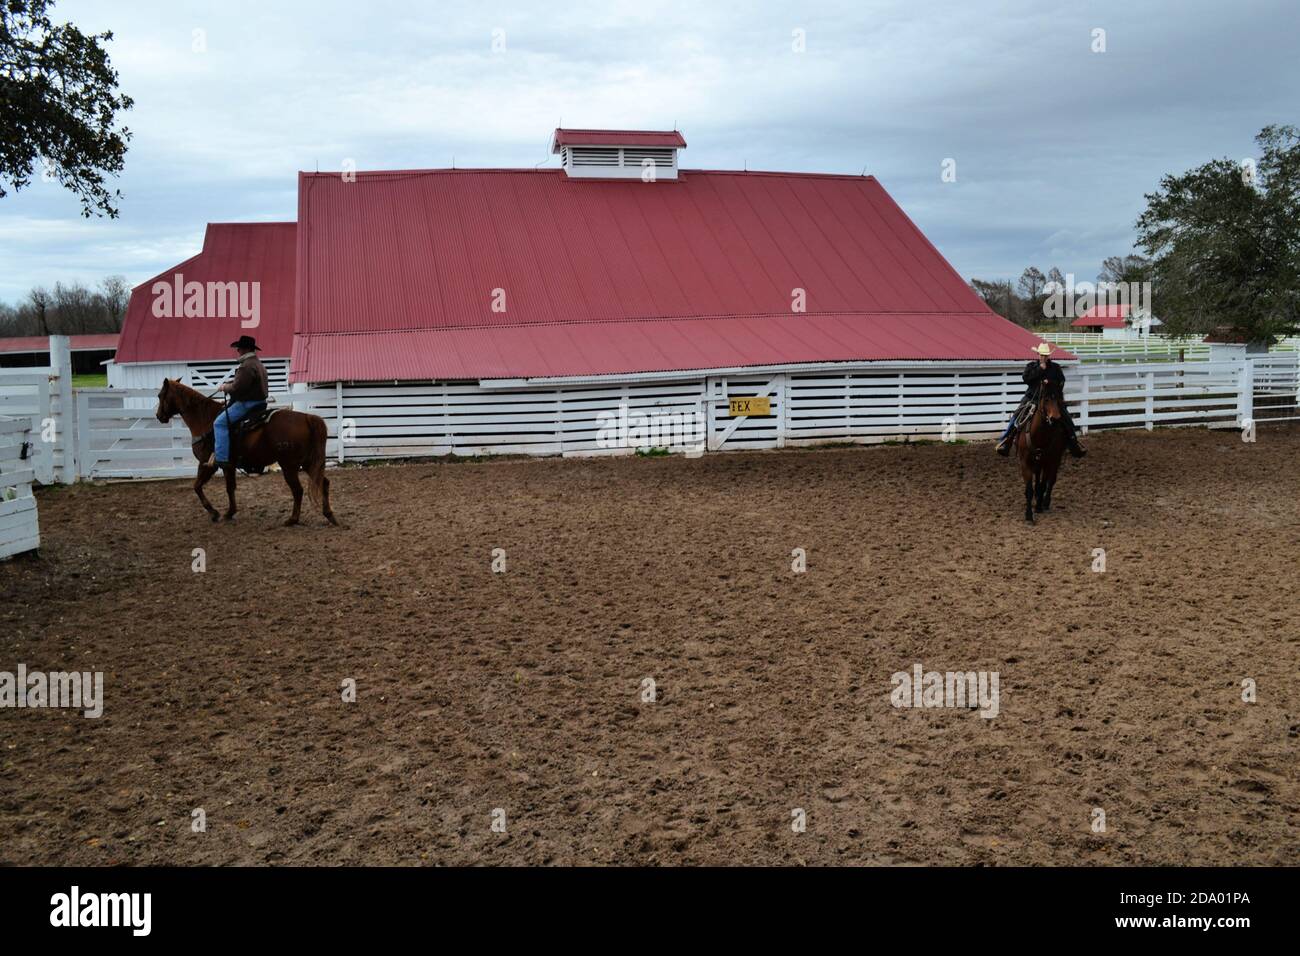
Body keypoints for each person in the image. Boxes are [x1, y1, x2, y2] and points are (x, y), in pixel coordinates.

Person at [995, 342, 1086, 458]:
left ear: (1049, 356)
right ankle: (1006, 441)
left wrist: (1050, 383)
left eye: (1046, 355)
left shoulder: (1055, 368)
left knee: (1065, 417)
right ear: (1038, 354)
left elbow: (1061, 382)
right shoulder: (1031, 366)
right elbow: (1026, 379)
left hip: (1051, 399)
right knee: (1017, 416)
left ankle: (1074, 443)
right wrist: (1039, 370)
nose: (1043, 357)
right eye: (1042, 355)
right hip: (1032, 398)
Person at [209, 335, 269, 467]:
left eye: (239, 348)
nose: (238, 351)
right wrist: (231, 383)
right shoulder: (258, 364)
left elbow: (237, 388)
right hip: (260, 402)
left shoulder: (246, 366)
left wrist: (225, 387)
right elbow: (245, 383)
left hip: (247, 403)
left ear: (246, 349)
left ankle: (221, 458)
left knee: (219, 423)